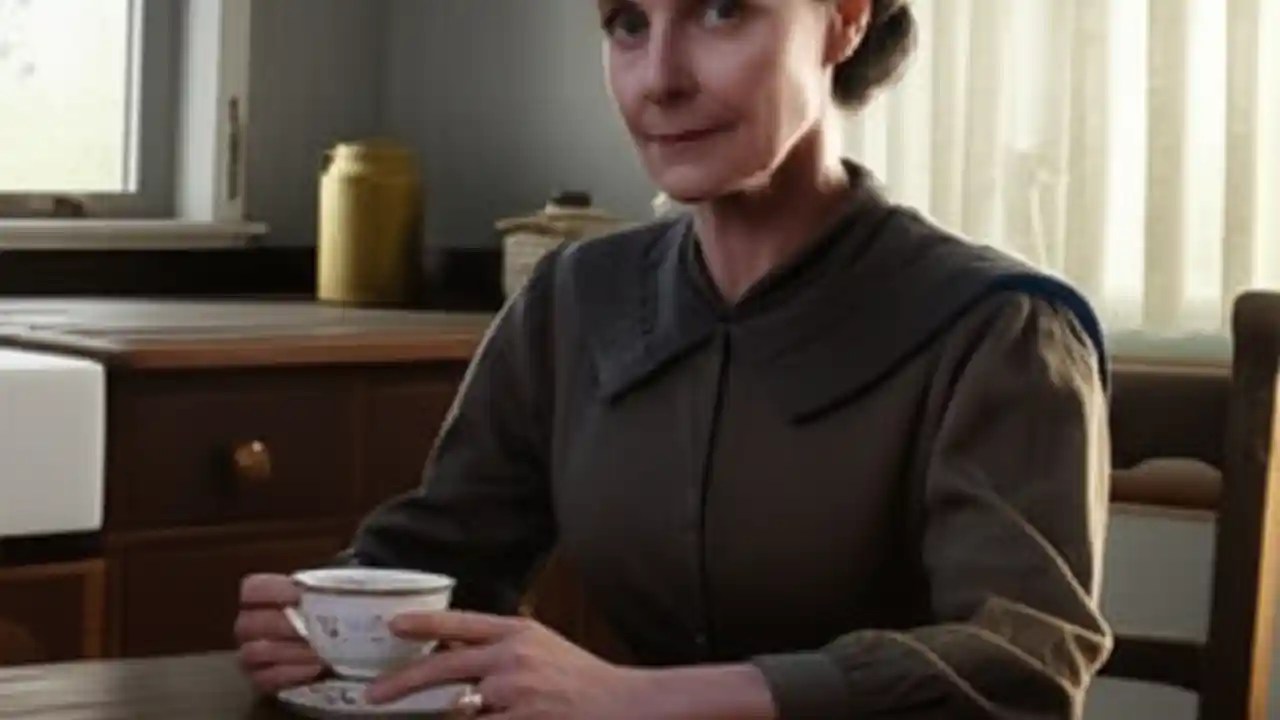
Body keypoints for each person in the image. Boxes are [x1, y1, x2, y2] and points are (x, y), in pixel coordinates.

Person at [234, 0, 1113, 717]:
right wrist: (331, 614)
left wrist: (637, 699)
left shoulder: (1002, 331)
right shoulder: (571, 299)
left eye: (722, 12)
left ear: (844, 20)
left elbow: (1018, 666)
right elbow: (446, 553)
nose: (660, 79)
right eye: (626, 23)